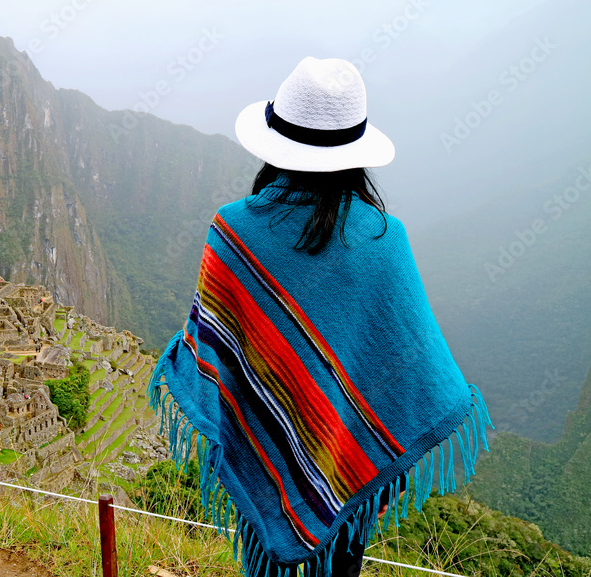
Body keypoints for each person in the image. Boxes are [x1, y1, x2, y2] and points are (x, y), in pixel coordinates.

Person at [149, 58, 492, 577]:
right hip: (346, 488)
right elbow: (414, 375)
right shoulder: (386, 241)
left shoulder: (233, 232)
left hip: (283, 466)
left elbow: (211, 354)